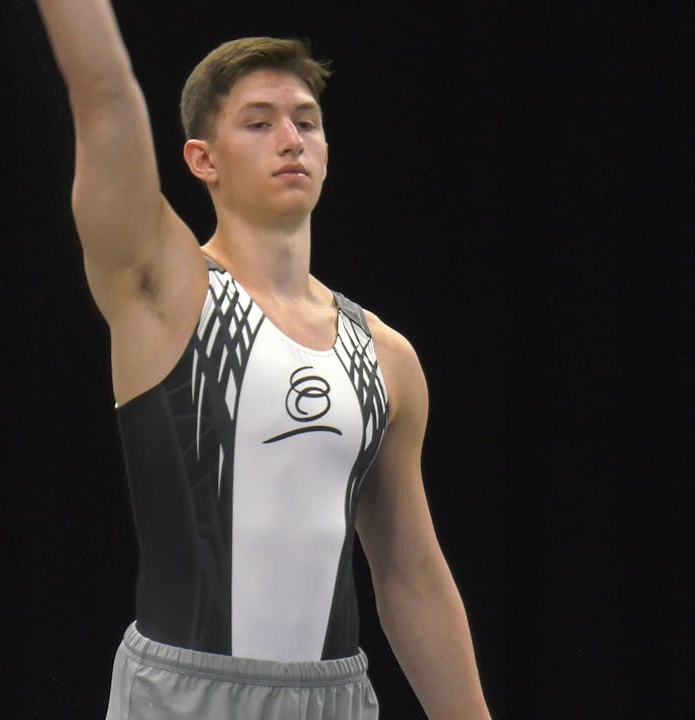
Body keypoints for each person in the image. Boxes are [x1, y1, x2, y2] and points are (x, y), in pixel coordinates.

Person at [35, 2, 492, 718]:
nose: (291, 139)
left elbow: (410, 573)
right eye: (259, 122)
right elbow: (102, 93)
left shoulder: (386, 357)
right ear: (202, 159)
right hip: (185, 698)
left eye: (306, 121)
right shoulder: (164, 290)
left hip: (336, 699)